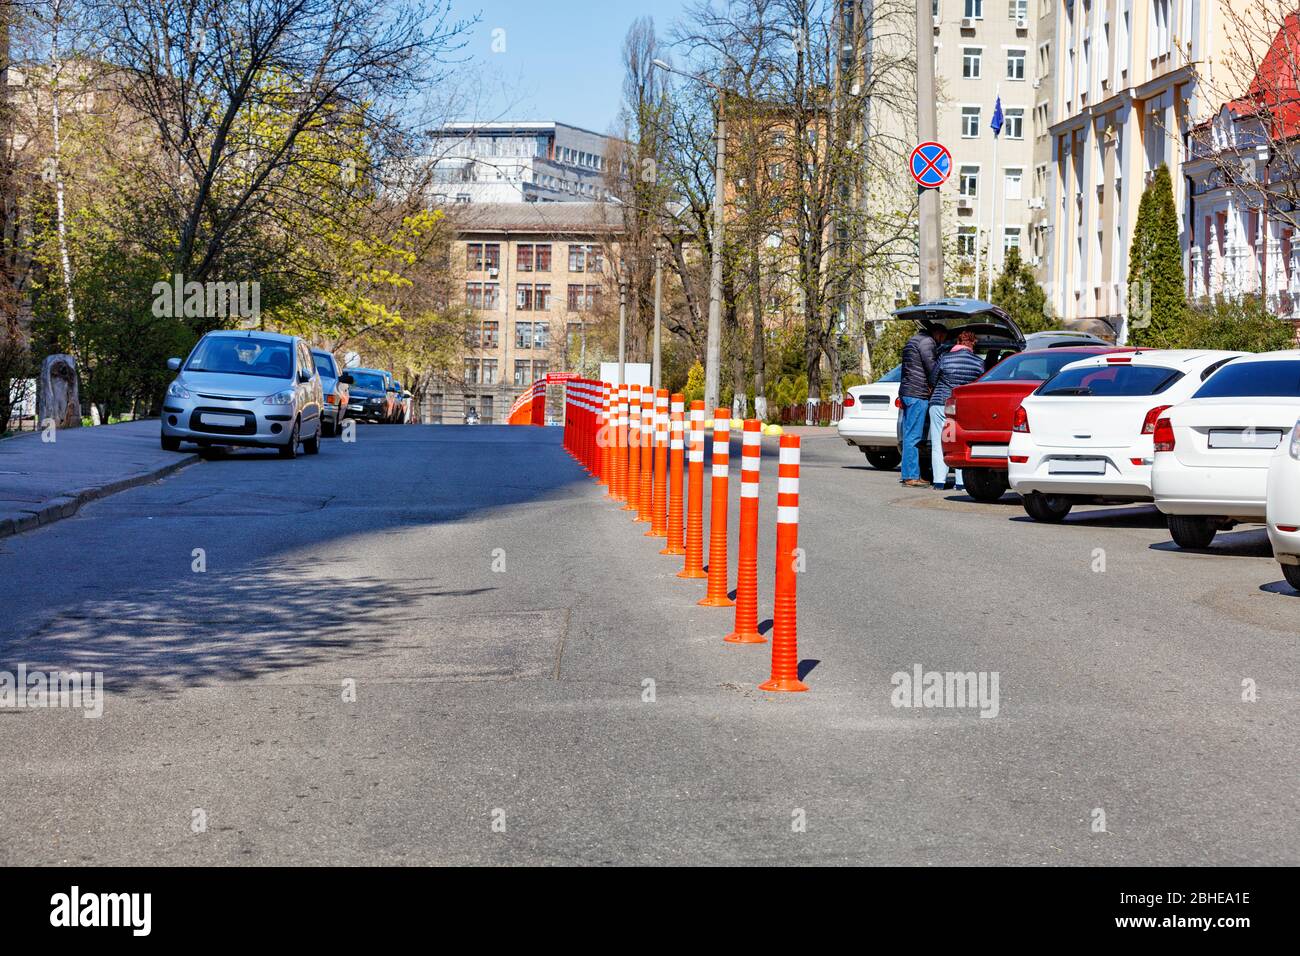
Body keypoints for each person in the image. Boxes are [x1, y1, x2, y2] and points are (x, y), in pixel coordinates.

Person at [928, 329, 985, 490]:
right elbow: (980, 385)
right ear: (972, 344)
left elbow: (933, 378)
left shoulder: (945, 358)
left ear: (958, 342)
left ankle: (939, 481)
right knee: (957, 443)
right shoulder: (978, 362)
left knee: (939, 444)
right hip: (961, 407)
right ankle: (961, 483)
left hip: (940, 403)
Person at [899, 324, 946, 487]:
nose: (942, 341)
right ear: (938, 333)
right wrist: (935, 384)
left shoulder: (913, 340)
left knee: (908, 435)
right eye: (942, 337)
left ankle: (908, 474)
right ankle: (911, 476)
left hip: (907, 391)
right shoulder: (927, 342)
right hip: (917, 394)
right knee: (914, 437)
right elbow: (932, 368)